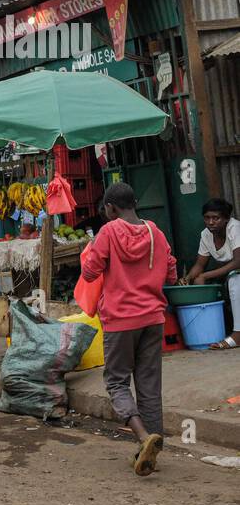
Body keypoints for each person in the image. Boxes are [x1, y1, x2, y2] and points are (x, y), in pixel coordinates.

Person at [81, 183, 176, 476]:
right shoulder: (155, 232)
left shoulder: (108, 232)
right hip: (153, 318)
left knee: (117, 382)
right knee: (149, 385)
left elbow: (90, 272)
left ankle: (143, 437)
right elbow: (171, 273)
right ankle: (151, 450)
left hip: (121, 320)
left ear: (110, 208)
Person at [181, 197, 240, 350]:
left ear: (226, 219)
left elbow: (238, 262)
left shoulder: (234, 228)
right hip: (230, 273)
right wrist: (188, 278)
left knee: (235, 279)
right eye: (207, 218)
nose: (211, 222)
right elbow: (200, 264)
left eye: (216, 218)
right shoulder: (206, 235)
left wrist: (206, 276)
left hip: (236, 272)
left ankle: (238, 334)